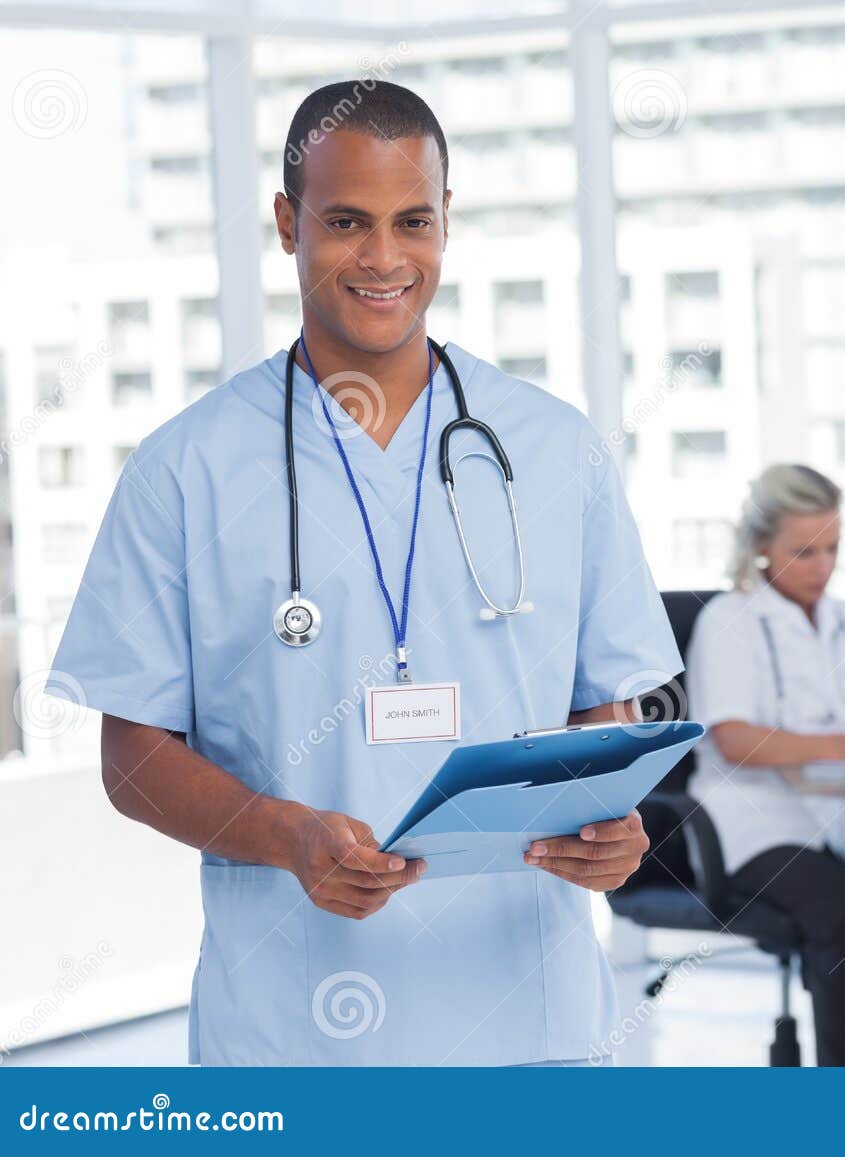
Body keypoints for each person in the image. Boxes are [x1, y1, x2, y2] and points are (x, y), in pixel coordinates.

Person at [43, 81, 679, 1066]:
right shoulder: (187, 468)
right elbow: (129, 758)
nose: (383, 258)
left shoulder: (557, 449)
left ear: (445, 223)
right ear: (288, 223)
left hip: (532, 1022)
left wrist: (609, 820)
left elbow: (606, 710)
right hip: (293, 1034)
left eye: (410, 221)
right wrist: (283, 833)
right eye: (346, 222)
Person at [686, 464, 845, 1066]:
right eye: (804, 551)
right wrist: (844, 745)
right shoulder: (729, 620)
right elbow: (734, 739)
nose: (823, 567)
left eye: (833, 548)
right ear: (761, 545)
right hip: (754, 825)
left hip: (833, 821)